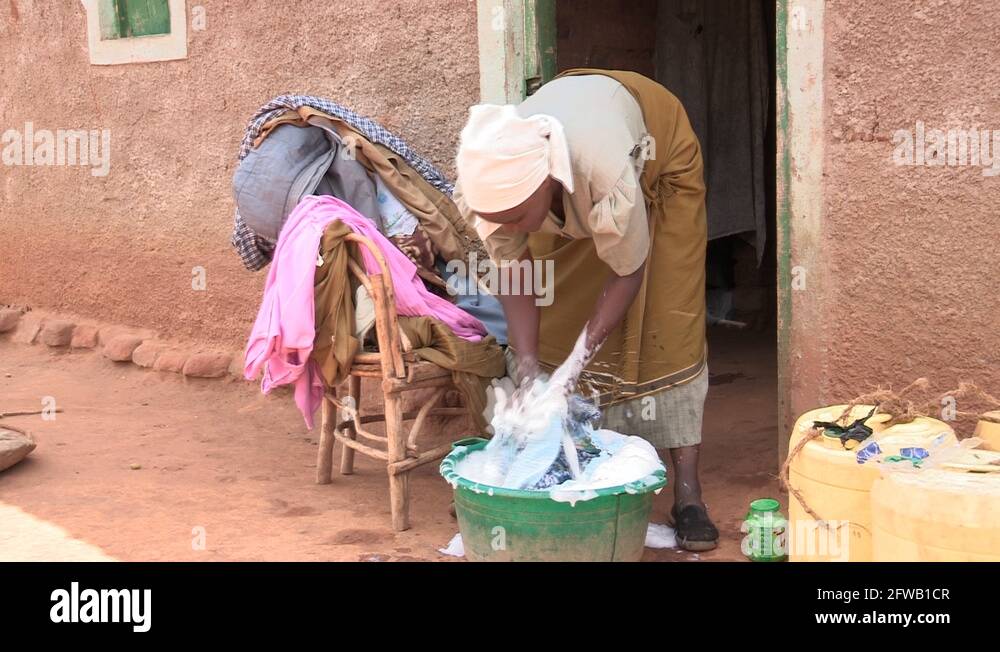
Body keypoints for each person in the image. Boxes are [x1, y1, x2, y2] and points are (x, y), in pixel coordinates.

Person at [453, 69, 717, 551]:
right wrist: (530, 371)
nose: (507, 226)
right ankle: (555, 468)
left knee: (669, 320)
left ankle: (688, 491)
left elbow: (629, 271)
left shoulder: (602, 172)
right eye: (499, 220)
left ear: (549, 181)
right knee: (561, 317)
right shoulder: (494, 180)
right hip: (579, 165)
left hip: (659, 159)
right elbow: (517, 275)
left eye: (515, 217)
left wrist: (576, 364)